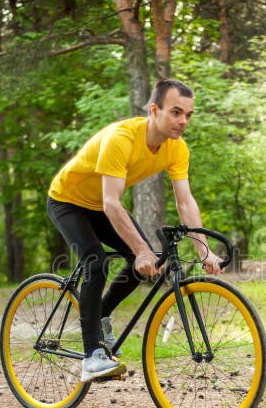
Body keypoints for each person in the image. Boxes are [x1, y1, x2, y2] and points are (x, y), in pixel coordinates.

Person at [47, 78, 224, 383]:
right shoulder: (122, 138)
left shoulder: (176, 149)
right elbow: (112, 203)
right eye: (176, 112)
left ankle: (100, 315)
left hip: (99, 204)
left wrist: (203, 250)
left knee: (152, 260)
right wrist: (139, 248)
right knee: (96, 263)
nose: (183, 121)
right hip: (67, 201)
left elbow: (185, 202)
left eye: (188, 115)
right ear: (154, 110)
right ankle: (92, 357)